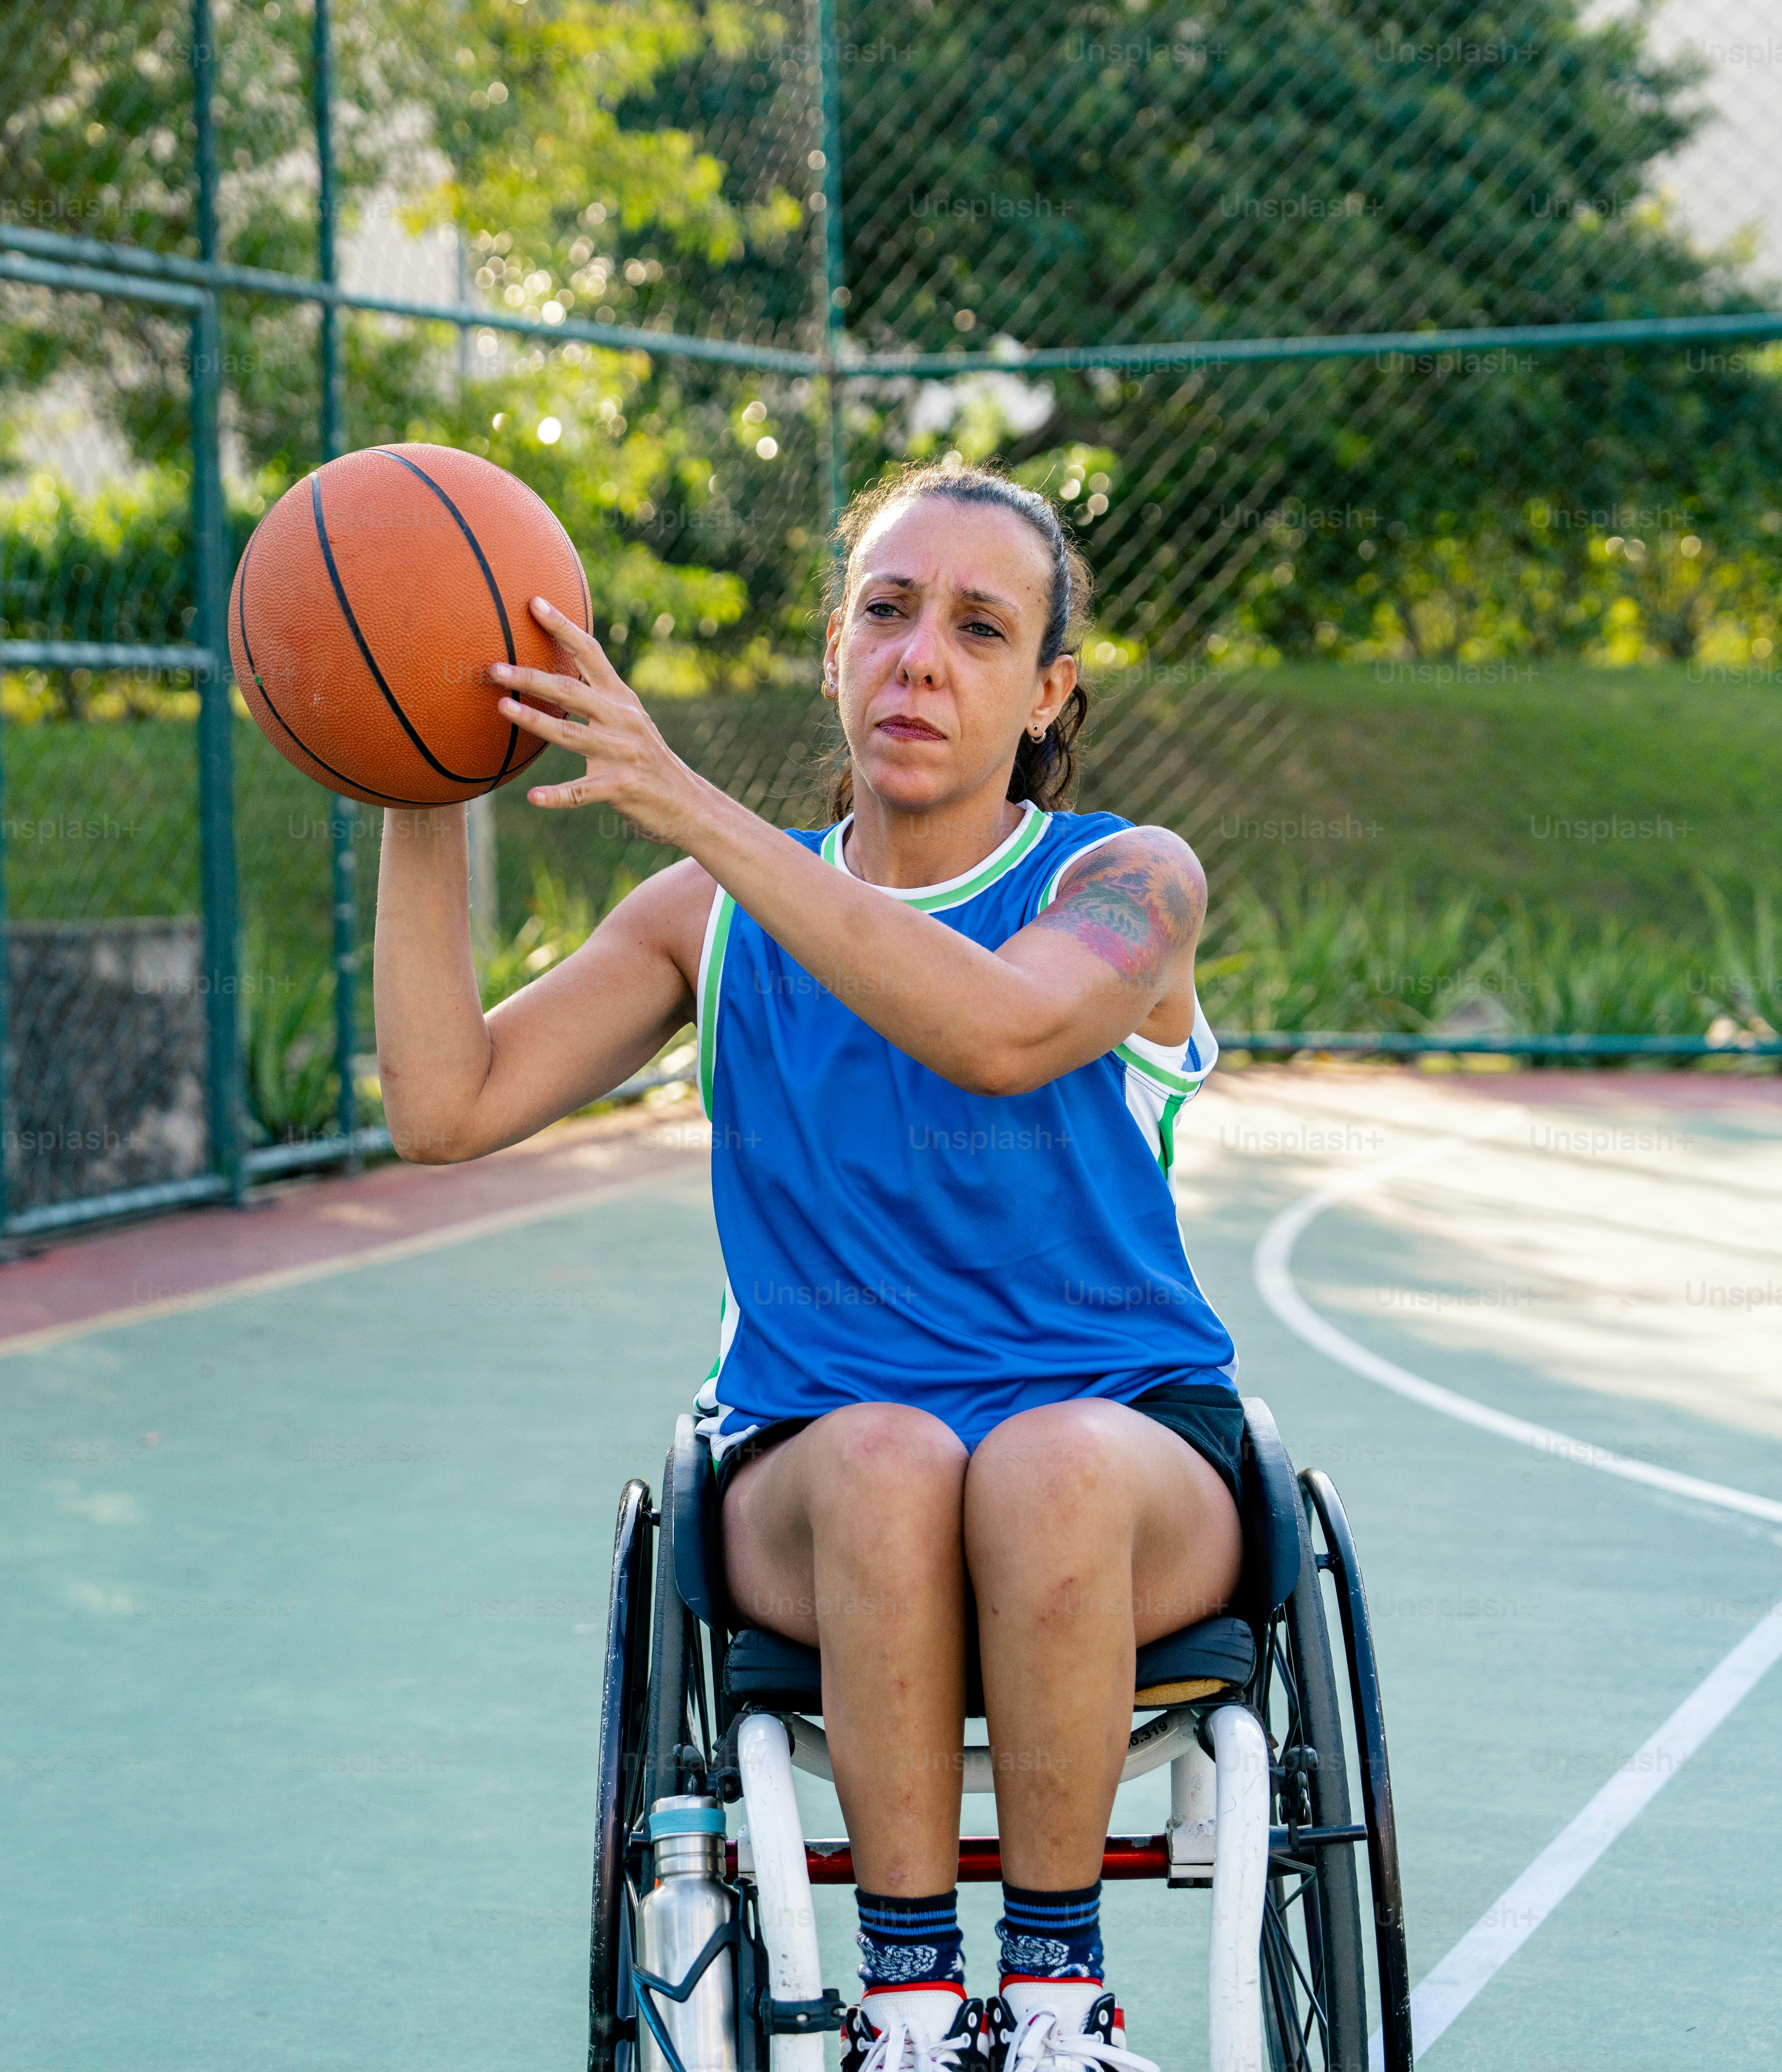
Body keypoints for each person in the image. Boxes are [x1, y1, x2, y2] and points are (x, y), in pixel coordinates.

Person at [375, 459, 1244, 2072]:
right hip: (819, 1469)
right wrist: (413, 774)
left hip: (1123, 1462)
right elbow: (444, 1100)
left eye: (979, 628)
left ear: (1049, 689)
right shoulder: (704, 913)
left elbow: (996, 1030)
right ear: (835, 647)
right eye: (887, 610)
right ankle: (903, 2010)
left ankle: (1057, 2004)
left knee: (1039, 1459)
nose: (920, 656)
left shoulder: (1129, 882)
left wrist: (688, 801)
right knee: (886, 1451)